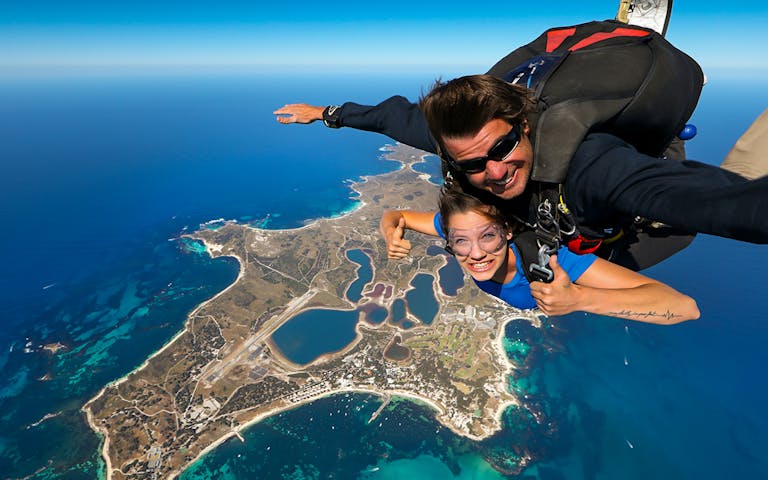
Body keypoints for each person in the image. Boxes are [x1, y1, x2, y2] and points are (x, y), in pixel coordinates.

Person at [274, 22, 768, 271]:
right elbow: (390, 117)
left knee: (690, 210)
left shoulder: (588, 167)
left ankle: (667, 143)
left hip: (634, 223)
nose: (494, 169)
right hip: (569, 226)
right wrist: (325, 114)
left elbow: (705, 201)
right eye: (472, 164)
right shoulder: (460, 145)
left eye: (502, 146)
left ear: (523, 126)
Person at [379, 188, 699, 324]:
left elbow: (685, 308)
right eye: (460, 241)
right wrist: (390, 234)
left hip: (629, 245)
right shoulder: (463, 227)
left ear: (507, 231)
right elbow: (396, 215)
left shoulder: (552, 261)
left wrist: (579, 298)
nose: (475, 253)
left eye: (488, 237)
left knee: (693, 219)